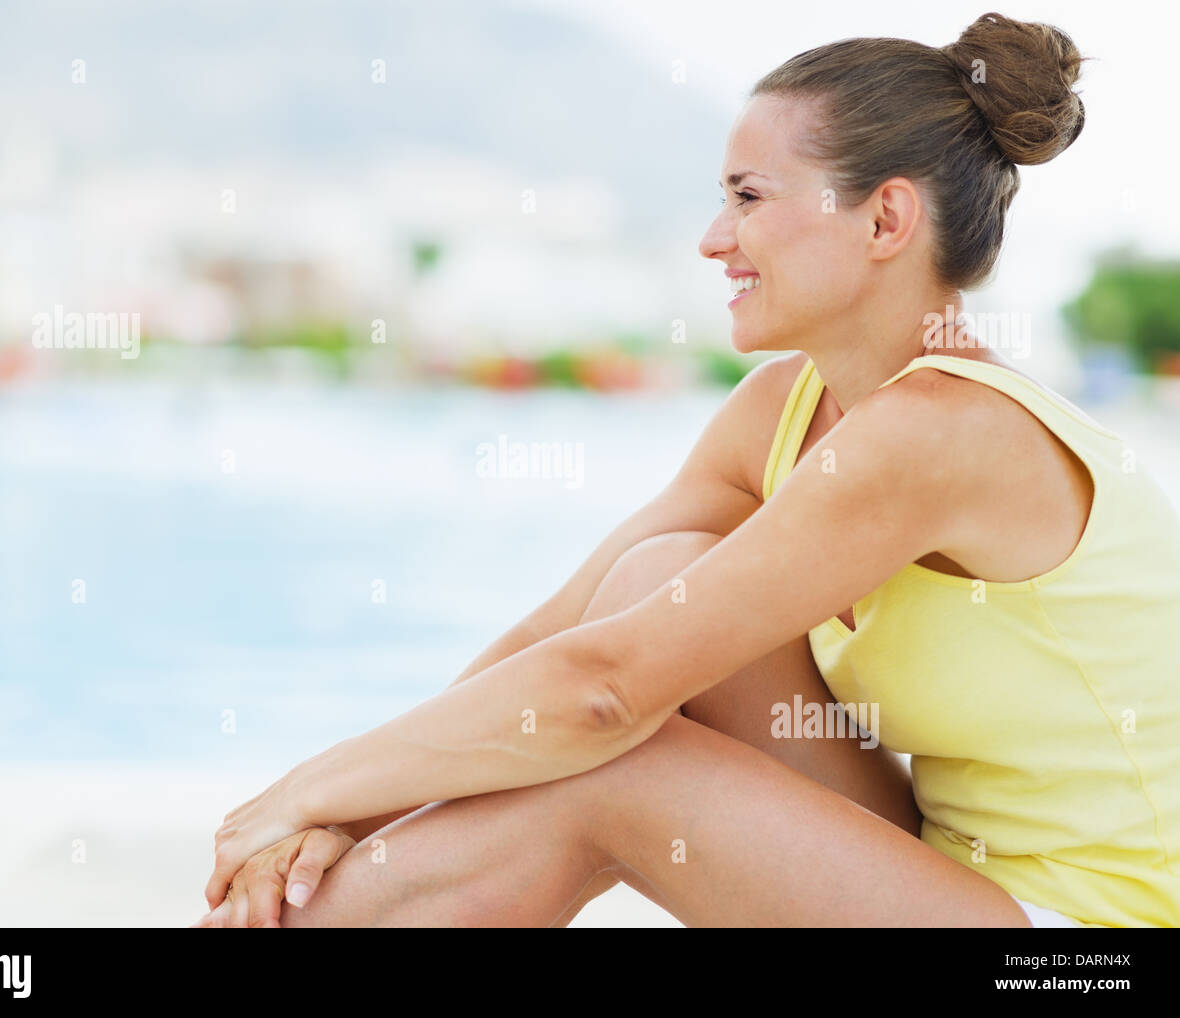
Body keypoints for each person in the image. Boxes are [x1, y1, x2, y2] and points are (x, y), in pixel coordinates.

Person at [195, 12, 1180, 928]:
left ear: (884, 221)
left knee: (613, 768)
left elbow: (604, 694)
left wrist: (300, 790)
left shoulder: (946, 430)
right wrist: (340, 814)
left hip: (1079, 946)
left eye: (748, 199)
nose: (714, 239)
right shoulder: (779, 412)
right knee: (649, 580)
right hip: (945, 881)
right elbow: (565, 631)